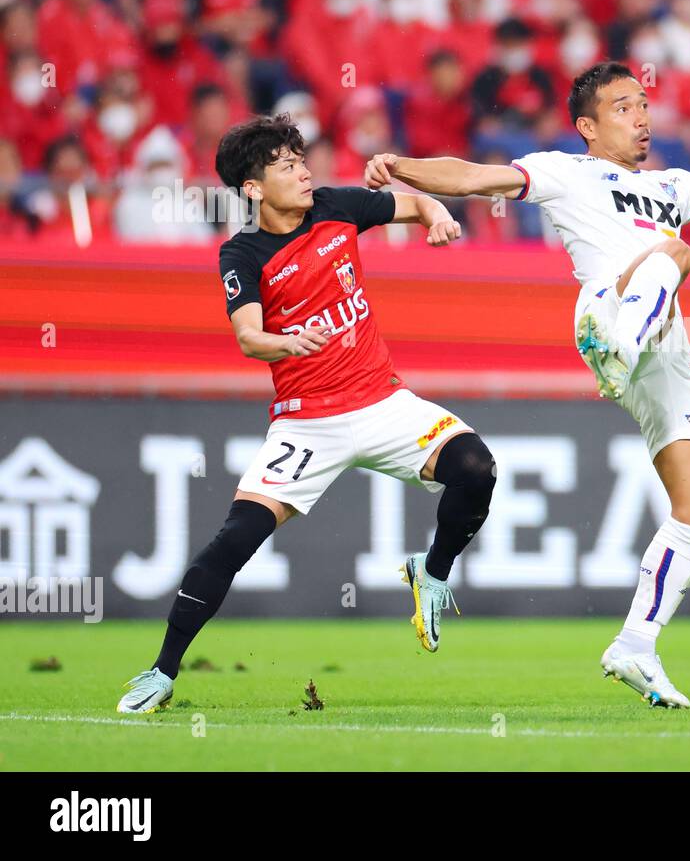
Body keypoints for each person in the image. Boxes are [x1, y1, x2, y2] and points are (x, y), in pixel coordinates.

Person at [364, 61, 690, 708]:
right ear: (587, 126)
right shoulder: (567, 171)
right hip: (605, 313)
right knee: (678, 253)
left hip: (662, 358)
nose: (641, 117)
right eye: (623, 107)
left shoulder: (675, 184)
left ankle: (636, 645)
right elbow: (476, 178)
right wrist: (402, 166)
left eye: (643, 104)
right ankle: (616, 347)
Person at [116, 113, 496, 714]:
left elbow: (409, 204)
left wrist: (436, 213)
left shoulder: (336, 207)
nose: (303, 171)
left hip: (381, 400)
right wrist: (283, 342)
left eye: (301, 158)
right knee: (235, 540)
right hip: (306, 421)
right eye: (286, 164)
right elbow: (248, 336)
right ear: (253, 188)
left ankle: (432, 572)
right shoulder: (242, 253)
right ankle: (161, 672)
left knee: (477, 467)